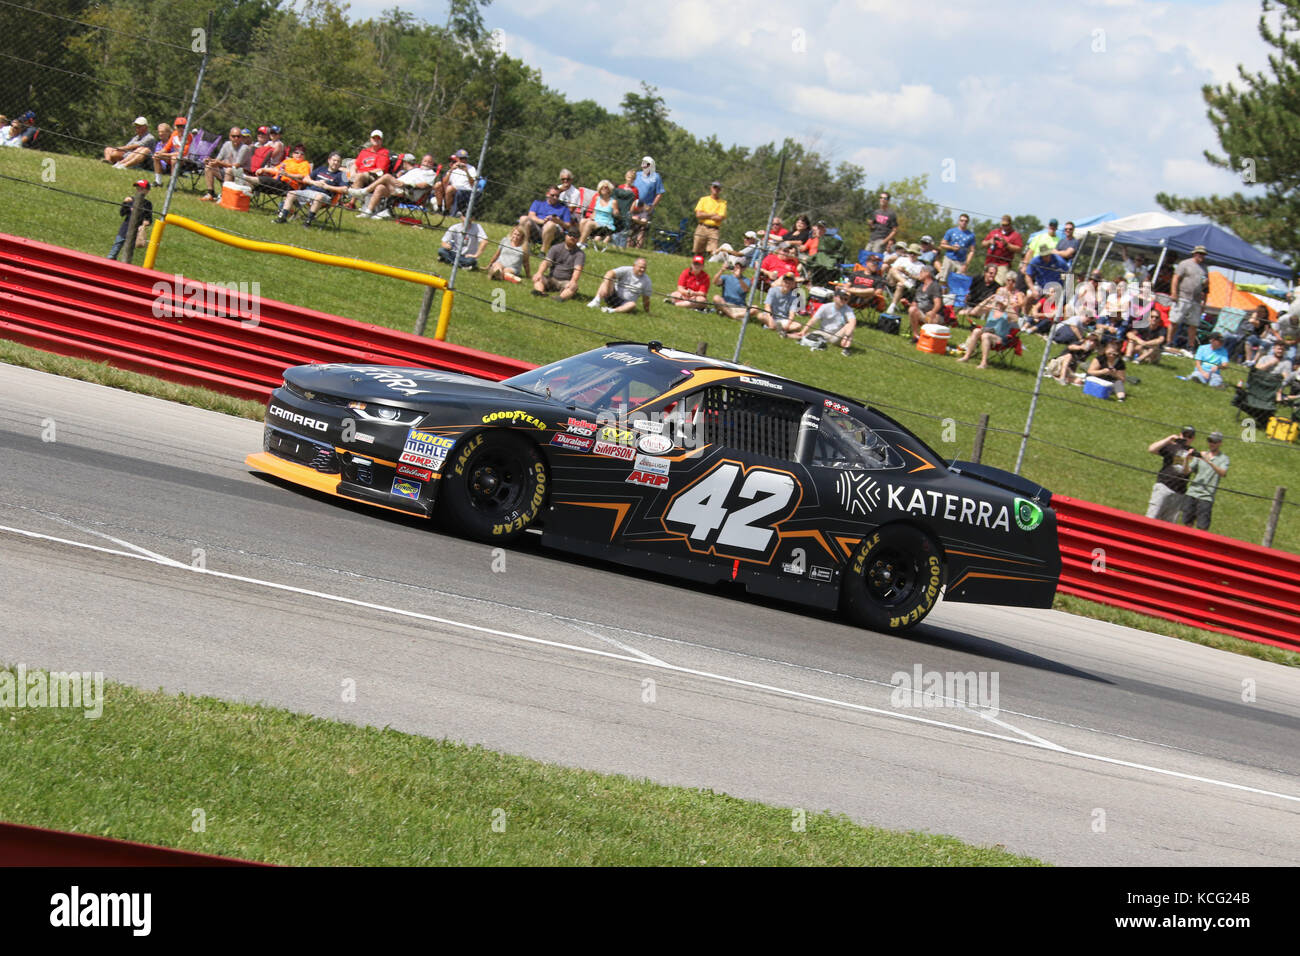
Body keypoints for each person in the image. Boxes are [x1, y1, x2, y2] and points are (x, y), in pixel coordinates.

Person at [958, 274, 1022, 367]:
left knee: (985, 336)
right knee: (976, 331)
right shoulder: (992, 308)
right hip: (987, 331)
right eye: (999, 295)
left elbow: (1016, 319)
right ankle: (966, 356)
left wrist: (1007, 304)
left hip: (1000, 338)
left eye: (1003, 296)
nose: (1000, 297)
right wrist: (988, 300)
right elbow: (974, 312)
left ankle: (984, 363)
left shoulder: (1008, 311)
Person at [355, 153, 439, 219]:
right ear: (421, 161)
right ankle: (368, 212)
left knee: (387, 176)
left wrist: (408, 184)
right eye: (425, 161)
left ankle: (363, 191)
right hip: (398, 187)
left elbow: (424, 185)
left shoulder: (431, 173)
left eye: (429, 162)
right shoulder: (416, 170)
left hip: (408, 191)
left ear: (432, 164)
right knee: (380, 188)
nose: (426, 163)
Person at [277, 151, 348, 226]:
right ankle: (282, 218)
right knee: (291, 193)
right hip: (309, 191)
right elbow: (305, 179)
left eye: (338, 161)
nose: (336, 163)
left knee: (319, 197)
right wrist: (314, 183)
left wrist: (327, 187)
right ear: (329, 160)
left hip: (325, 196)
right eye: (334, 160)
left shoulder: (343, 174)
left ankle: (308, 221)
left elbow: (345, 189)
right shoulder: (321, 168)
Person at [1146, 426, 1198, 521]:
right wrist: (1168, 439)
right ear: (1180, 434)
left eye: (1190, 436)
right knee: (1152, 517)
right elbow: (1151, 449)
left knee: (1169, 524)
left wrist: (1187, 458)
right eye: (1185, 435)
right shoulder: (1171, 446)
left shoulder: (1192, 452)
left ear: (1193, 438)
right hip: (1163, 486)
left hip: (1179, 492)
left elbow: (1187, 471)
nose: (1186, 438)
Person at [1181, 431, 1229, 530]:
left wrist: (1208, 460)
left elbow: (1223, 473)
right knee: (1186, 524)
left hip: (1206, 497)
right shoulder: (1200, 455)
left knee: (1202, 527)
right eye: (1210, 441)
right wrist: (1186, 459)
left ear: (1220, 443)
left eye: (1214, 442)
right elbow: (1187, 471)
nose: (1211, 444)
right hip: (1192, 493)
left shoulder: (1224, 459)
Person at [1169, 244, 1209, 351]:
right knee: (1175, 320)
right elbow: (1176, 278)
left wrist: (1204, 302)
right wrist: (1174, 292)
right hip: (1182, 296)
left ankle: (1190, 346)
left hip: (1196, 299)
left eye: (1203, 254)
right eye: (1200, 253)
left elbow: (1206, 287)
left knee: (1193, 324)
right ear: (1195, 254)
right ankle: (1169, 342)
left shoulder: (1205, 268)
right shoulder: (1185, 264)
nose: (1202, 256)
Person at [796, 288, 857, 355]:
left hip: (836, 336)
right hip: (823, 333)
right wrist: (803, 331)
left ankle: (846, 349)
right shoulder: (825, 307)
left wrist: (846, 336)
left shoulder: (848, 309)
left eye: (846, 299)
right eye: (841, 298)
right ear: (835, 297)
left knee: (850, 325)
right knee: (806, 336)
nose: (843, 301)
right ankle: (786, 335)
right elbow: (813, 320)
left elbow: (852, 321)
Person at [199, 127, 252, 201]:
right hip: (226, 172)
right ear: (230, 136)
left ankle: (224, 196)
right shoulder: (226, 144)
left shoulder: (245, 148)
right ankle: (210, 193)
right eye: (234, 136)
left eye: (238, 136)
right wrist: (210, 160)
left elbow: (236, 166)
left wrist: (219, 163)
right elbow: (218, 159)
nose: (236, 138)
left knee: (229, 170)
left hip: (240, 176)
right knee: (209, 167)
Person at [531, 230, 585, 300]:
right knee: (538, 278)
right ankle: (540, 292)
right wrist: (539, 273)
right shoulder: (555, 248)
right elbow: (546, 262)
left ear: (578, 239)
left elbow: (578, 269)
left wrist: (573, 281)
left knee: (574, 287)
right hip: (551, 279)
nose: (572, 237)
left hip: (565, 282)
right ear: (566, 236)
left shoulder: (580, 254)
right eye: (570, 235)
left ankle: (560, 298)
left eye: (575, 236)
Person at [588, 257, 653, 314]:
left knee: (633, 304)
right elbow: (609, 273)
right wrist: (606, 287)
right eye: (640, 267)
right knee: (607, 280)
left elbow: (646, 299)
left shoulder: (647, 281)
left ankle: (611, 311)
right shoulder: (626, 269)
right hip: (612, 295)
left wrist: (647, 311)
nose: (642, 270)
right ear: (634, 265)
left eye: (644, 268)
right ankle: (596, 301)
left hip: (625, 303)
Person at [106, 182, 152, 259]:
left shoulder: (147, 204)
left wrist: (145, 223)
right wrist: (125, 203)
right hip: (124, 229)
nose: (138, 190)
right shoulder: (130, 200)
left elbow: (149, 218)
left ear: (147, 191)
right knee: (115, 249)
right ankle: (108, 263)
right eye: (137, 188)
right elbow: (122, 213)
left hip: (136, 231)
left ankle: (124, 266)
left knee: (128, 253)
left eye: (141, 189)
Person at [629, 156, 665, 248]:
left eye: (647, 164)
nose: (645, 166)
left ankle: (637, 249)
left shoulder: (656, 177)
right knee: (631, 228)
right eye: (643, 163)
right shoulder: (637, 175)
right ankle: (628, 247)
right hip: (634, 206)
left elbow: (659, 193)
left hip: (646, 207)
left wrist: (652, 206)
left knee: (642, 229)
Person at [526, 185, 573, 254]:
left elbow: (568, 225)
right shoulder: (538, 203)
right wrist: (543, 221)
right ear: (547, 194)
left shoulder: (564, 208)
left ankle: (542, 252)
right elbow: (531, 215)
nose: (555, 197)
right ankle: (525, 248)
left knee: (550, 224)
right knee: (524, 219)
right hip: (537, 226)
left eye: (557, 196)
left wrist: (559, 221)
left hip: (554, 231)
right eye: (552, 195)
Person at [576, 180, 620, 247]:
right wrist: (591, 218)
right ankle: (584, 242)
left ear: (609, 189)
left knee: (589, 224)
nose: (604, 189)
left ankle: (580, 243)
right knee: (582, 221)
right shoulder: (597, 199)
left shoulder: (613, 201)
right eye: (602, 187)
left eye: (606, 187)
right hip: (596, 221)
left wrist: (615, 212)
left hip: (606, 224)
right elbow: (594, 212)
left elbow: (616, 214)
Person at [982, 215, 1023, 284]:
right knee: (985, 282)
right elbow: (983, 243)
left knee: (998, 283)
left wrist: (1006, 244)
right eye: (1003, 225)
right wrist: (990, 241)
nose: (1004, 227)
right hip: (989, 262)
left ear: (1010, 224)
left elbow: (1019, 249)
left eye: (1006, 225)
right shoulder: (994, 232)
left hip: (1002, 264)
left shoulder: (1015, 235)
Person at [907, 265, 945, 340]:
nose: (919, 274)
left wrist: (932, 312)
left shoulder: (935, 286)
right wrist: (908, 304)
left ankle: (928, 339)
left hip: (935, 315)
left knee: (934, 317)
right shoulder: (920, 287)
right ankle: (916, 335)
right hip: (922, 314)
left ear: (927, 273)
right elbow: (915, 304)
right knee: (912, 309)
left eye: (921, 272)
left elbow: (938, 304)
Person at [692, 181, 727, 256]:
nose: (716, 189)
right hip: (702, 227)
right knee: (698, 250)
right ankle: (697, 264)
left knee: (713, 251)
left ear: (720, 190)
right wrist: (712, 214)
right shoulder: (703, 199)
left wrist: (705, 214)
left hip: (714, 229)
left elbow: (720, 217)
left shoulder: (722, 202)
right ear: (711, 188)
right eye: (714, 187)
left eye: (718, 188)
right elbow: (698, 215)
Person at [151, 117, 190, 183]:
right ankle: (158, 182)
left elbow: (183, 153)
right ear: (175, 127)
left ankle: (172, 184)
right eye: (178, 126)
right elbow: (167, 147)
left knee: (174, 159)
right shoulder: (174, 134)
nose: (181, 128)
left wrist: (163, 154)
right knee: (156, 156)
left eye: (183, 126)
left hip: (187, 159)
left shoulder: (189, 136)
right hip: (175, 156)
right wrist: (159, 153)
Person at [937, 214, 975, 280]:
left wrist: (966, 264)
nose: (963, 222)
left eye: (966, 221)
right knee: (943, 279)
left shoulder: (971, 235)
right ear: (958, 221)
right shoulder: (951, 231)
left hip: (961, 261)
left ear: (968, 222)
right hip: (949, 258)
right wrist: (952, 247)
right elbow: (942, 244)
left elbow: (972, 251)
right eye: (962, 220)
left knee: (959, 281)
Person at [443, 149, 478, 215]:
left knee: (450, 189)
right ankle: (446, 210)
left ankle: (449, 212)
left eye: (465, 158)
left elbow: (472, 184)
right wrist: (451, 170)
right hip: (454, 189)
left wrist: (466, 172)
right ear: (457, 158)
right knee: (444, 187)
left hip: (466, 190)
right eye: (461, 158)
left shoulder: (471, 168)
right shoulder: (453, 167)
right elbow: (445, 182)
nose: (463, 161)